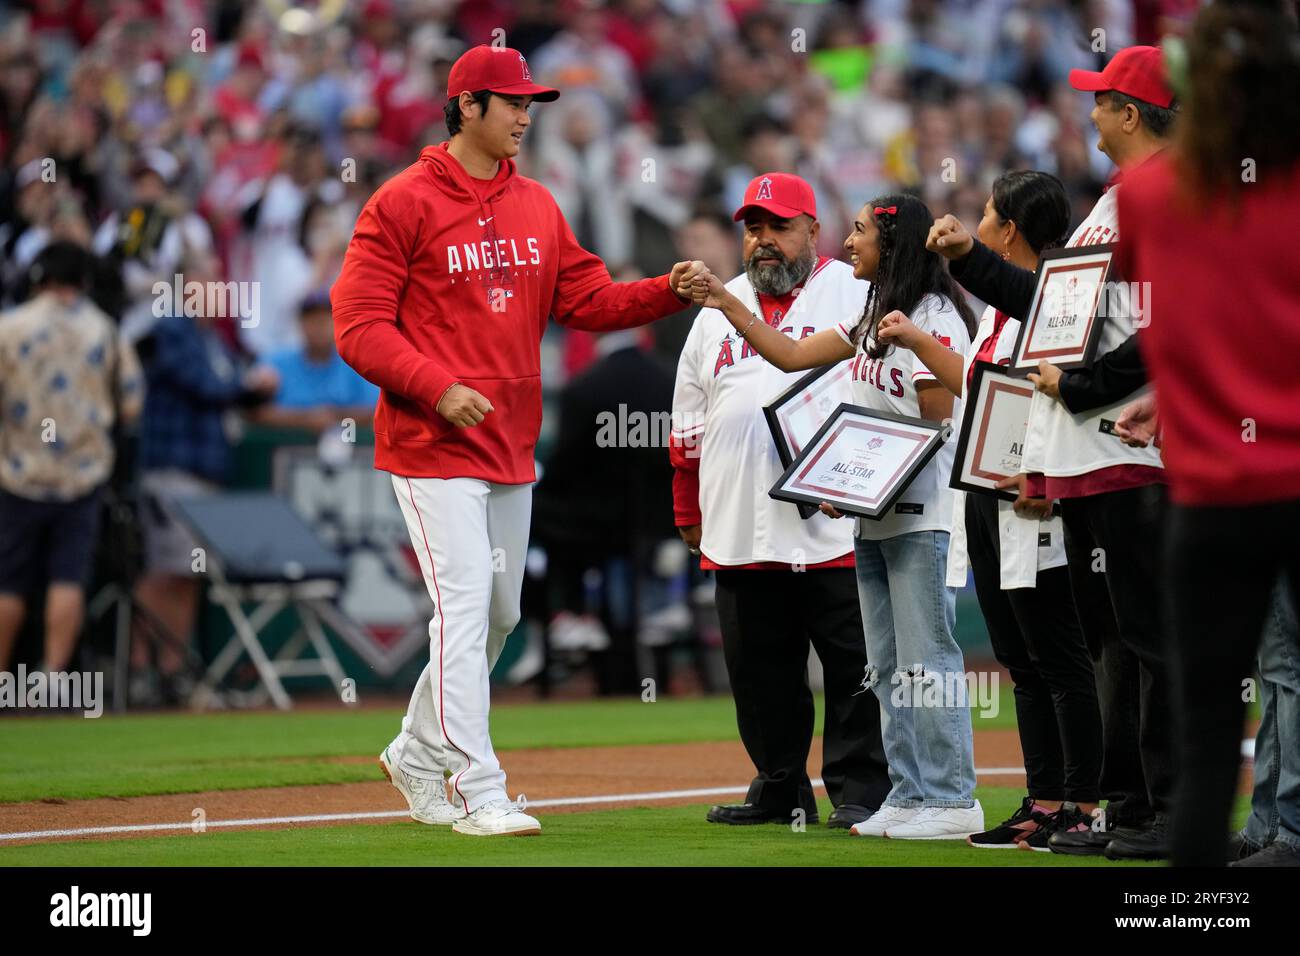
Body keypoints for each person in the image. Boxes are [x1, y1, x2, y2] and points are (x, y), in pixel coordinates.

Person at [331, 44, 702, 837]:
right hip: (431, 444)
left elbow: (589, 300)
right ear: (466, 105)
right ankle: (478, 789)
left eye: (532, 104)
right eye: (512, 103)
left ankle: (414, 750)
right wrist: (436, 385)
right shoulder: (401, 202)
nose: (526, 116)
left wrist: (663, 291)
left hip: (509, 443)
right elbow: (357, 326)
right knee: (464, 607)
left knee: (499, 616)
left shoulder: (536, 202)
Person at [926, 45, 1179, 861]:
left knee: (1146, 640)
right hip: (1084, 456)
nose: (1090, 113)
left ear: (1130, 114)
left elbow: (1174, 326)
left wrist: (1083, 387)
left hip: (1128, 450)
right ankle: (1130, 806)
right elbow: (1053, 305)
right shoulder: (1115, 200)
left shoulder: (1164, 195)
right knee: (1110, 641)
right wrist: (972, 262)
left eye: (1100, 101)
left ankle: (1172, 813)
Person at [688, 194, 982, 840]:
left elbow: (942, 417)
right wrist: (729, 305)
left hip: (922, 515)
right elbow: (790, 357)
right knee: (884, 665)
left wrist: (914, 343)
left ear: (893, 243)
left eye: (859, 233)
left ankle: (953, 795)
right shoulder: (871, 312)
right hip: (873, 519)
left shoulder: (934, 314)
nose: (849, 244)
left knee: (927, 661)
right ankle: (908, 793)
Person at [1107, 0, 1300, 866]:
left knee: (1208, 733)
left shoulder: (1146, 194)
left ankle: (1192, 914)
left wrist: (1180, 392)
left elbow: (1178, 319)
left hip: (1213, 496)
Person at [876, 171, 1103, 850]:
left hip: (1036, 495)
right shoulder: (1000, 313)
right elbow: (975, 391)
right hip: (985, 491)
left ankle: (1085, 803)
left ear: (1007, 231)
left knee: (1060, 655)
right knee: (1020, 657)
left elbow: (1060, 395)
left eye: (988, 214)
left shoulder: (1057, 303)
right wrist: (919, 344)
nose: (978, 221)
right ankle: (1043, 797)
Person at [671, 173, 890, 829]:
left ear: (812, 232)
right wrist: (688, 509)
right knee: (759, 671)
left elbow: (887, 398)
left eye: (778, 226)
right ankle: (778, 785)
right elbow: (687, 419)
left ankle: (861, 787)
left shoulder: (853, 290)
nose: (764, 240)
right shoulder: (719, 307)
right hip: (739, 521)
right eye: (753, 228)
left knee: (854, 665)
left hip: (836, 523)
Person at [131, 252, 280, 704]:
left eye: (217, 281)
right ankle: (141, 669)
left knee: (186, 574)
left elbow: (235, 388)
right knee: (163, 572)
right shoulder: (171, 328)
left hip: (206, 475)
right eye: (205, 282)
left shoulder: (214, 341)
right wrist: (251, 387)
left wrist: (257, 387)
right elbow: (206, 387)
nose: (216, 290)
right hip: (172, 471)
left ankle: (173, 671)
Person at [0, 241, 144, 676]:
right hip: (82, 476)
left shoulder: (10, 326)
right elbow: (132, 404)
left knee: (7, 584)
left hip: (16, 472)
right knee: (68, 579)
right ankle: (51, 680)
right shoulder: (104, 330)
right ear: (83, 280)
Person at [256, 293, 379, 433]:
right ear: (301, 324)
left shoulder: (357, 361)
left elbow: (374, 411)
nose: (318, 327)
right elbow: (255, 413)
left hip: (350, 447)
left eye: (324, 320)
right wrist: (307, 419)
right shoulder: (276, 362)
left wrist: (332, 416)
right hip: (285, 448)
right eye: (312, 320)